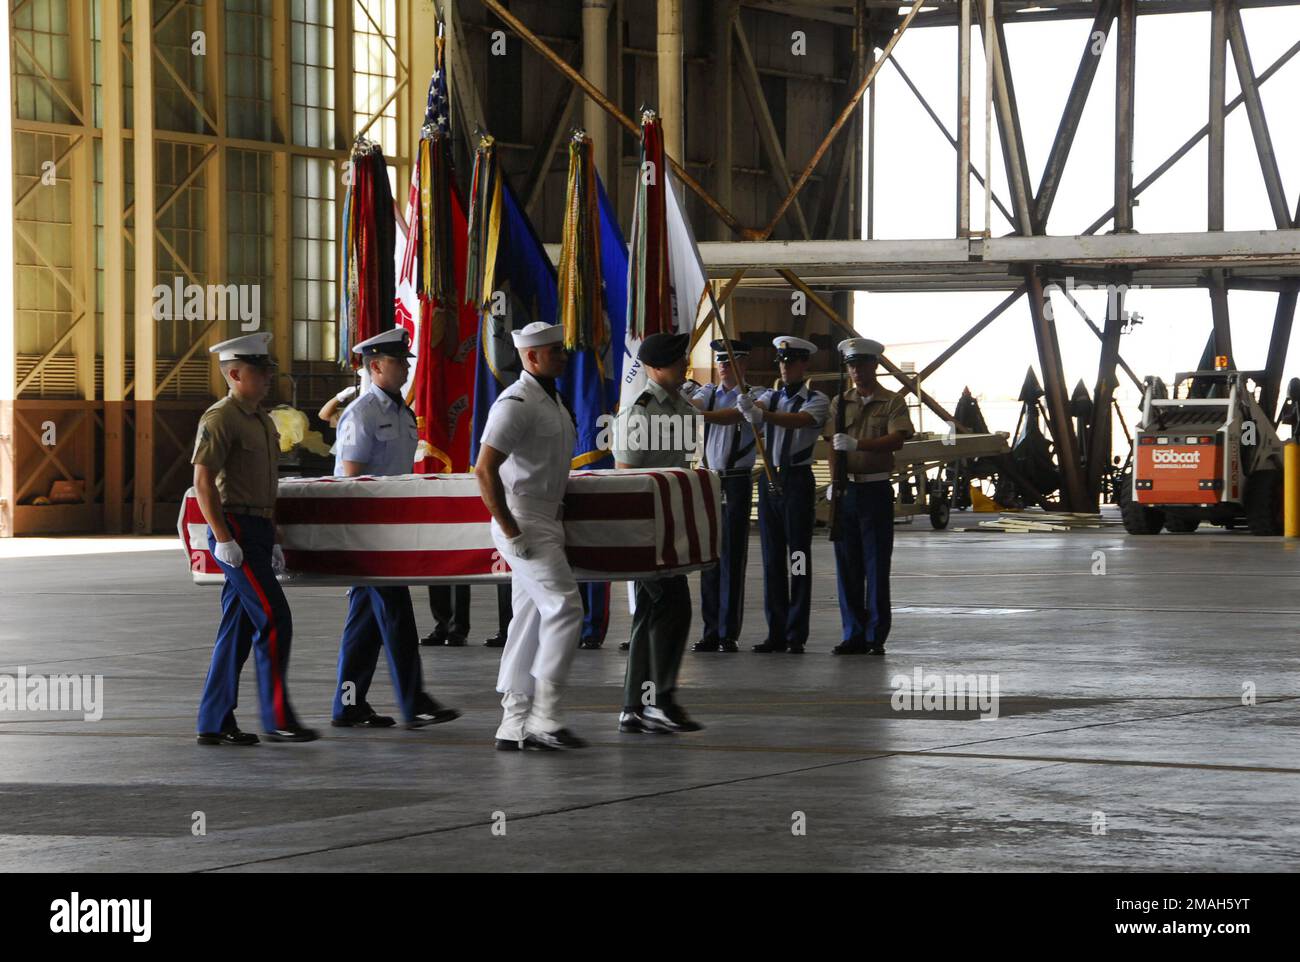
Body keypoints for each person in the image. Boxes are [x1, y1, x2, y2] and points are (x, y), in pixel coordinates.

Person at [330, 327, 461, 729]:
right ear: (375, 367)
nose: (406, 367)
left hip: (391, 532)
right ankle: (414, 700)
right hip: (369, 534)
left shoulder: (401, 412)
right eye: (398, 362)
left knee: (365, 625)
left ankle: (348, 705)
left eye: (406, 360)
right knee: (397, 616)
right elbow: (350, 479)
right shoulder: (362, 413)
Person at [192, 332, 316, 745]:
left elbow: (265, 482)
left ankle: (213, 721)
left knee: (238, 627)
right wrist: (224, 538)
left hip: (257, 530)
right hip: (236, 530)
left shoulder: (262, 419)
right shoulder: (220, 418)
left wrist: (274, 532)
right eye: (260, 372)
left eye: (267, 372)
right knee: (274, 618)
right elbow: (204, 483)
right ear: (234, 373)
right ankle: (277, 717)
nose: (267, 379)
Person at [474, 321, 586, 751]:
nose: (563, 355)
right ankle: (547, 717)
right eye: (554, 350)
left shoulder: (553, 403)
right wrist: (508, 529)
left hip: (545, 519)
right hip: (524, 519)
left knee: (531, 619)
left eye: (562, 348)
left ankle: (514, 721)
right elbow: (484, 469)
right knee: (565, 606)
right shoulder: (515, 403)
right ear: (532, 356)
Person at [614, 331, 719, 735]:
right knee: (670, 609)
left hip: (672, 528)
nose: (684, 368)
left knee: (654, 612)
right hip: (647, 531)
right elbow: (625, 477)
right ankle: (657, 700)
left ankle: (636, 705)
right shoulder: (640, 412)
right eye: (677, 362)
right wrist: (636, 536)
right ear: (656, 368)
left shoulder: (681, 408)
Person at [737, 335, 829, 654]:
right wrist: (749, 408)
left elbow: (799, 421)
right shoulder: (769, 397)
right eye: (781, 361)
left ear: (804, 364)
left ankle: (795, 632)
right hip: (770, 476)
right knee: (772, 559)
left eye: (791, 362)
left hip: (797, 478)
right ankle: (775, 631)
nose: (785, 367)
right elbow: (758, 407)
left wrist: (762, 416)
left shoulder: (816, 399)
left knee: (797, 557)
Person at [826, 338, 913, 655]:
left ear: (874, 366)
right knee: (847, 566)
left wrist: (858, 445)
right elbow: (832, 445)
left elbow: (896, 440)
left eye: (861, 365)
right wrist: (835, 481)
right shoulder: (839, 403)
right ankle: (853, 633)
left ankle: (875, 636)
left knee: (876, 564)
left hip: (875, 488)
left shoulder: (892, 402)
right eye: (851, 365)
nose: (856, 371)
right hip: (847, 489)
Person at [683, 338, 755, 653]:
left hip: (737, 479)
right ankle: (711, 630)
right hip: (709, 479)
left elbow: (733, 417)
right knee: (709, 556)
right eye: (721, 361)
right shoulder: (708, 393)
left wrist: (698, 415)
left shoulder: (753, 396)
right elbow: (694, 407)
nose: (724, 367)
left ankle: (728, 631)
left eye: (730, 362)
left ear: (742, 364)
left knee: (732, 554)